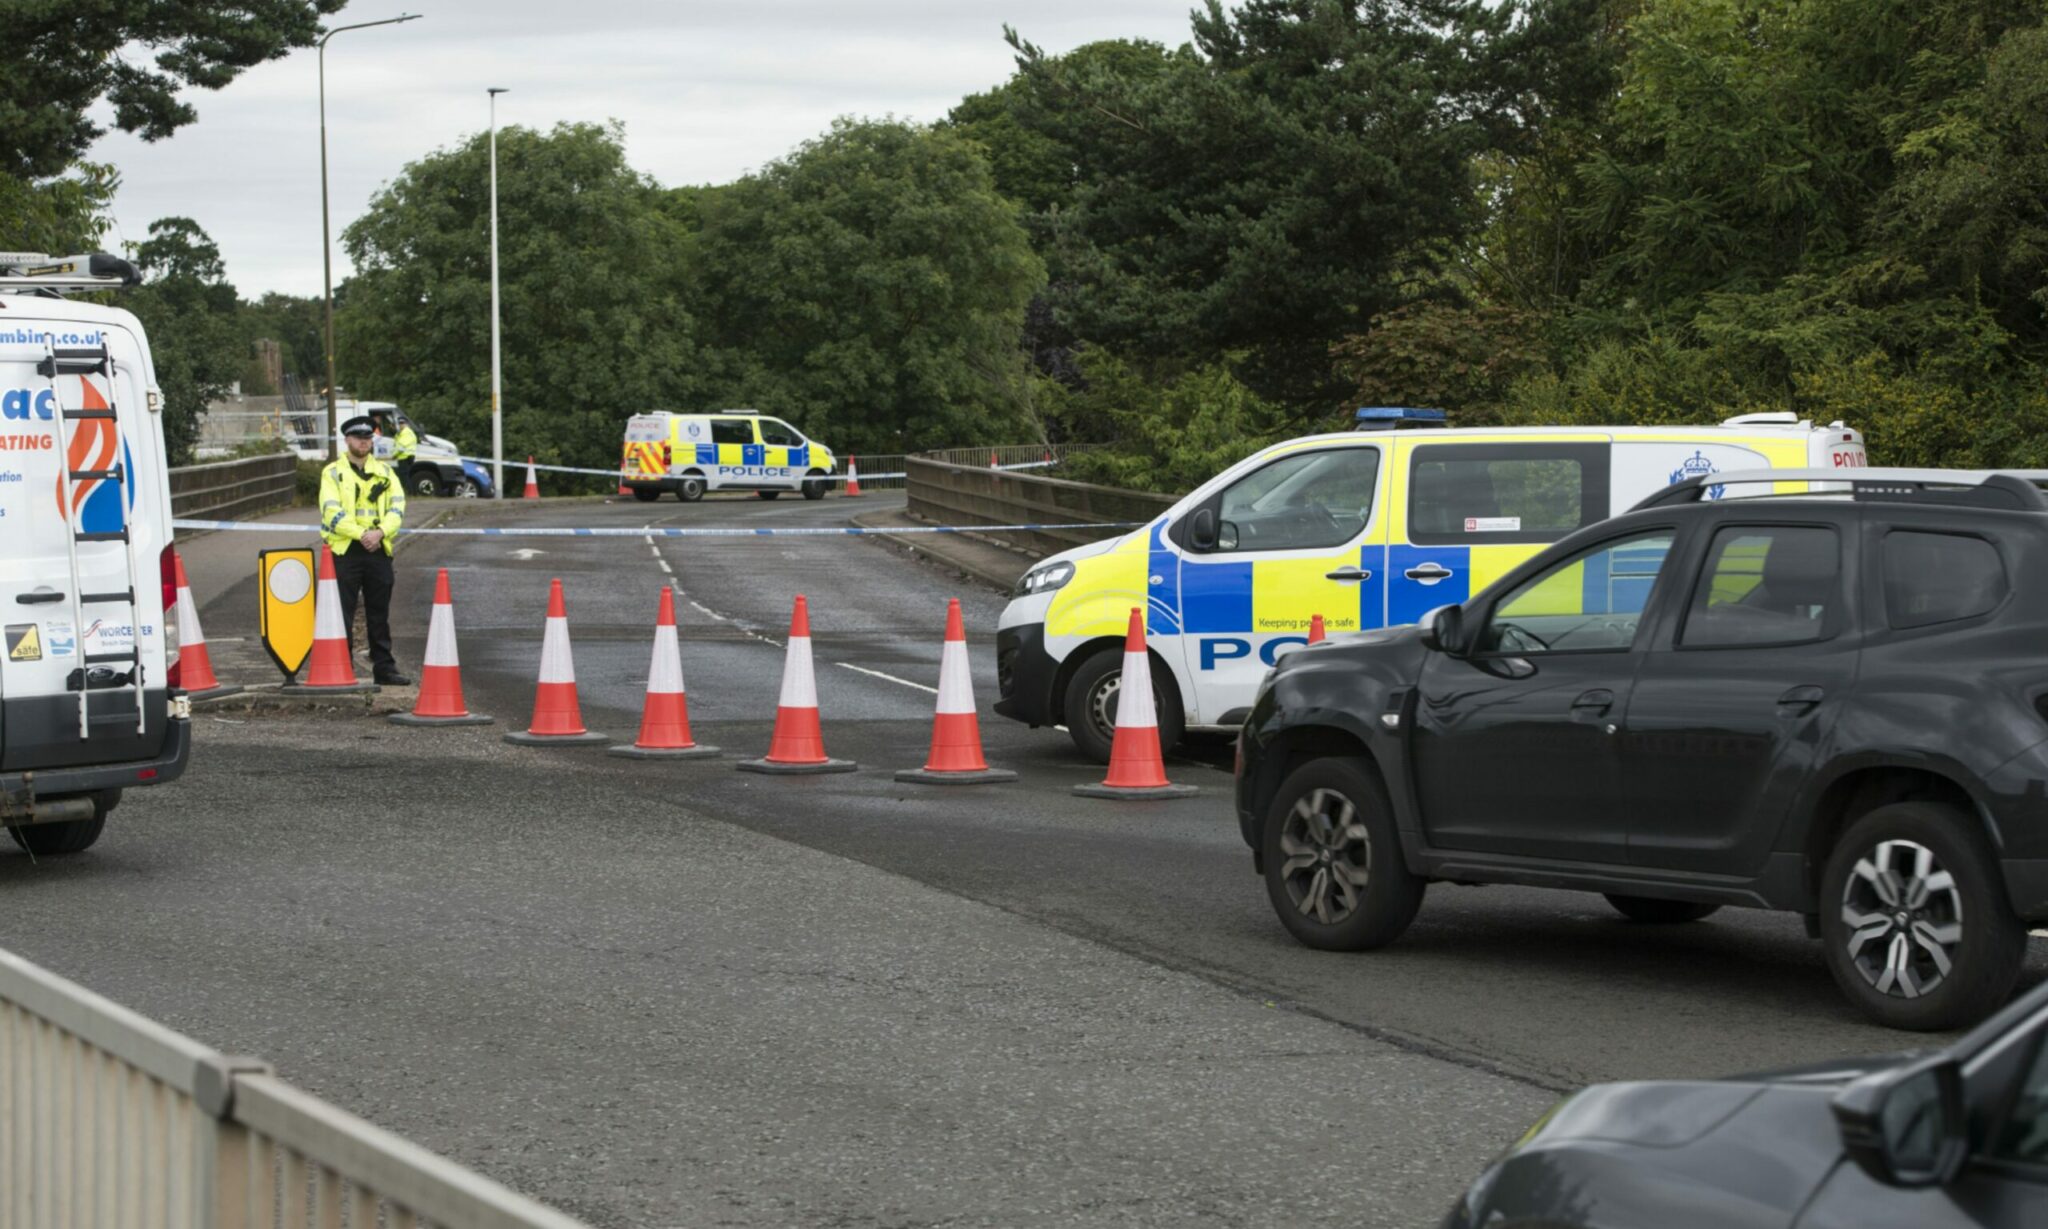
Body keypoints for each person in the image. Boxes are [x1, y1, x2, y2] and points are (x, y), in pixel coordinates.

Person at [320, 415, 412, 685]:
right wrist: (362, 534)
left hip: (377, 549)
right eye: (359, 438)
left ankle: (384, 667)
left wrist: (381, 532)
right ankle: (342, 667)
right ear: (347, 440)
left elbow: (398, 508)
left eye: (368, 438)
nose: (364, 442)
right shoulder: (333, 473)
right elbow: (330, 512)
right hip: (345, 550)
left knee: (379, 612)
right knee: (342, 612)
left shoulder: (385, 472)